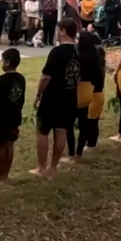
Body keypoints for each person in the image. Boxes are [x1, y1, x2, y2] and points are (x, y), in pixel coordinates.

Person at [32, 17, 80, 177]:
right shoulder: (77, 51)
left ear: (63, 31)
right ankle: (54, 166)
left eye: (58, 30)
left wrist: (38, 94)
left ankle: (41, 167)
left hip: (53, 96)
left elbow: (46, 77)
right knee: (61, 130)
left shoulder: (57, 52)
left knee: (43, 130)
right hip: (70, 95)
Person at [0, 48, 25, 183]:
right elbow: (21, 99)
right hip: (15, 117)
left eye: (3, 61)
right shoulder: (21, 79)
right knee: (10, 145)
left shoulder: (1, 80)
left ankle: (1, 175)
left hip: (1, 118)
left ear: (7, 63)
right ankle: (7, 174)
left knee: (1, 146)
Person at [75, 33, 105, 157]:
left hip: (91, 94)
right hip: (96, 93)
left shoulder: (85, 61)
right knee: (91, 121)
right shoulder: (97, 65)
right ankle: (87, 144)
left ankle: (89, 144)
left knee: (89, 121)